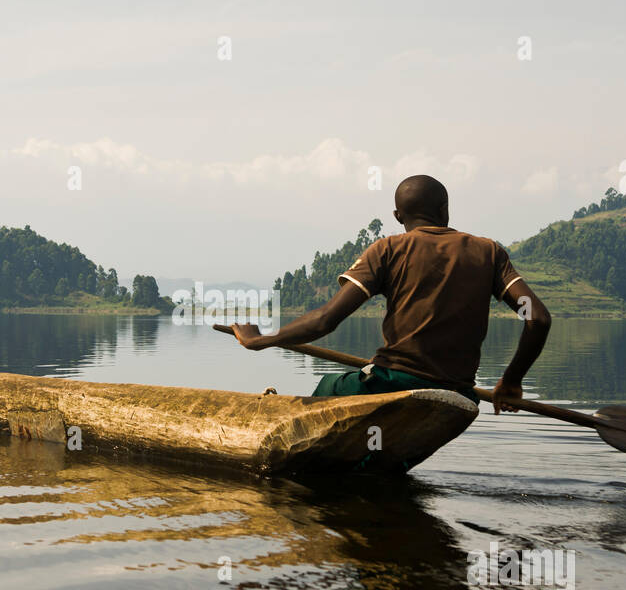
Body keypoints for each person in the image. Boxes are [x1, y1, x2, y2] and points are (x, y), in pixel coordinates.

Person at [230, 174, 551, 412]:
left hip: (394, 383)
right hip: (460, 395)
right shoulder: (488, 253)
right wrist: (511, 380)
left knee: (329, 386)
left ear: (398, 217)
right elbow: (537, 319)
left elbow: (325, 320)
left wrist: (260, 340)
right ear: (445, 210)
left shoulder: (388, 250)